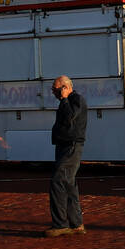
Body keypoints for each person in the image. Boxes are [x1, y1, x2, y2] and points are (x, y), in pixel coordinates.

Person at [45, 75, 87, 237]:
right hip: (65, 146)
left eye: (56, 89)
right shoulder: (70, 101)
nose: (54, 93)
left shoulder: (75, 100)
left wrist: (64, 99)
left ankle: (60, 224)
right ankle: (76, 224)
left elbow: (70, 118)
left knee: (58, 182)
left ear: (65, 87)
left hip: (71, 146)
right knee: (69, 185)